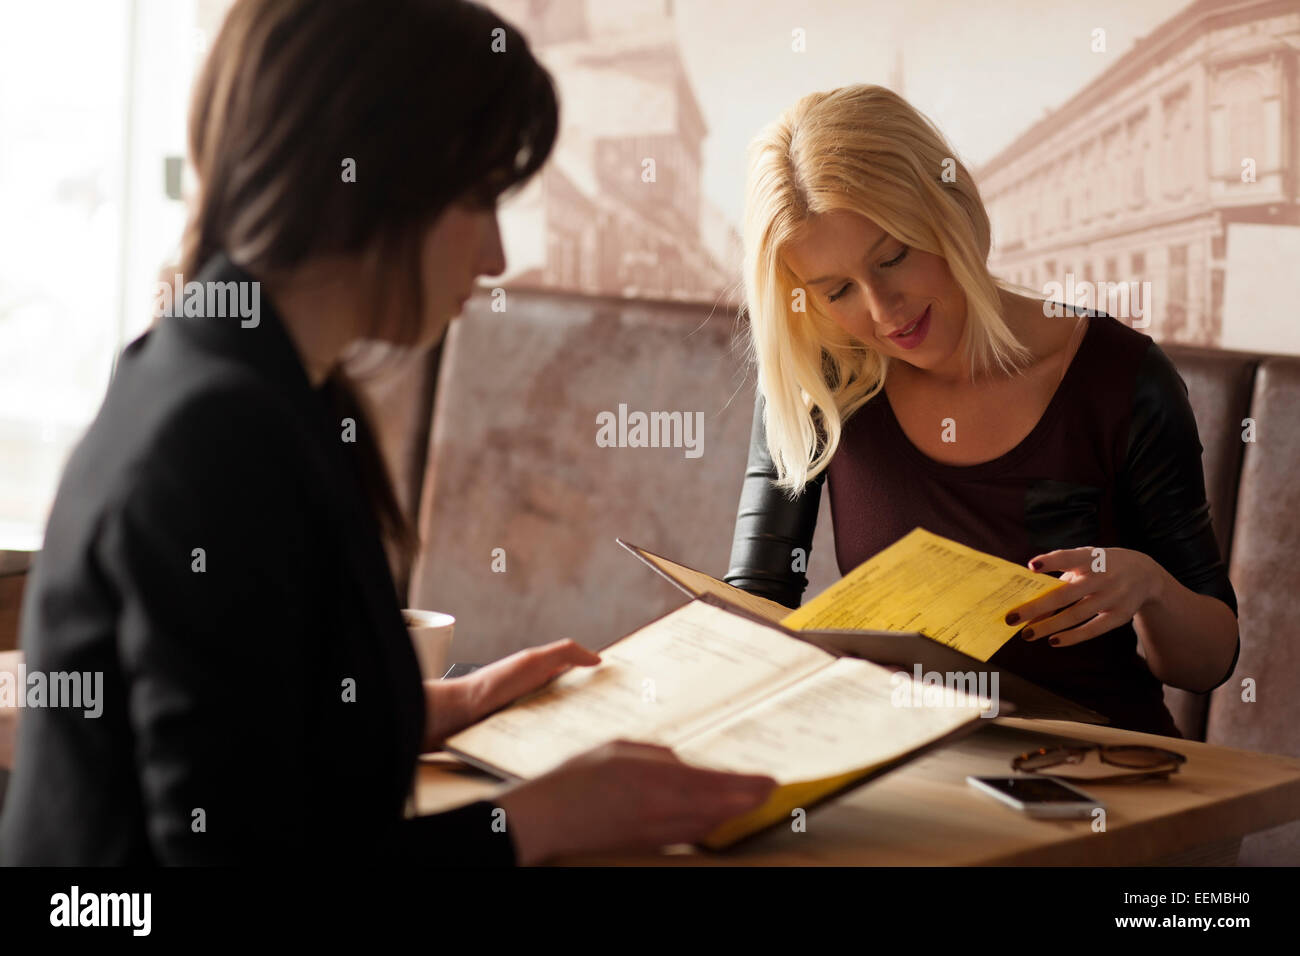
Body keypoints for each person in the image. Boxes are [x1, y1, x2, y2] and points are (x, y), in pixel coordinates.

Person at [0, 0, 775, 866]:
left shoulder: (248, 379)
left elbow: (246, 738)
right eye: (477, 200)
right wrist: (534, 823)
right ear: (372, 184)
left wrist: (428, 709)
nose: (493, 256)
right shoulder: (218, 434)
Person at [724, 84, 1239, 737]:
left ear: (951, 209)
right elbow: (754, 607)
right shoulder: (823, 382)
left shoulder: (1121, 378)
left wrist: (1151, 586)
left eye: (893, 257)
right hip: (916, 774)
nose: (884, 311)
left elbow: (1209, 663)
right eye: (838, 290)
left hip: (1106, 775)